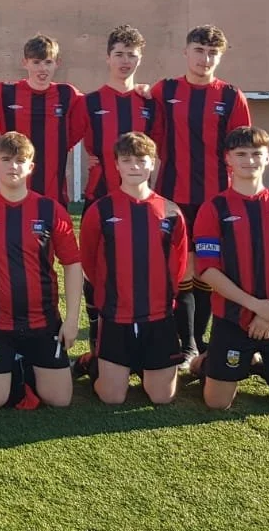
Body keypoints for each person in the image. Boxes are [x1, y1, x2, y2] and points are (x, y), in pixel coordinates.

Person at [188, 126, 269, 410]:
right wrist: (256, 306)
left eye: (257, 154)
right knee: (217, 403)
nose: (250, 160)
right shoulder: (214, 209)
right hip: (233, 318)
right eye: (241, 154)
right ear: (228, 160)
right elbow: (207, 269)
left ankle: (257, 362)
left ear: (267, 158)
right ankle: (208, 362)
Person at [151, 24, 252, 365]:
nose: (205, 58)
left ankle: (197, 340)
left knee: (207, 270)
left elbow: (242, 148)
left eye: (212, 53)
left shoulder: (231, 97)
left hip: (215, 200)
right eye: (199, 50)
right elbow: (146, 129)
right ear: (185, 52)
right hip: (171, 197)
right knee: (180, 270)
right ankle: (187, 342)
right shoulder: (164, 90)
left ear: (219, 57)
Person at [0, 132, 82, 412]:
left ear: (31, 167)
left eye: (20, 161)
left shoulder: (50, 210)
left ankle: (27, 366)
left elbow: (72, 263)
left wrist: (73, 319)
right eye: (6, 160)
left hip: (43, 321)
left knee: (59, 400)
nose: (13, 166)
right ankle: (15, 368)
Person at [78, 132, 188, 406]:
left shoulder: (171, 211)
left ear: (153, 163)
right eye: (127, 160)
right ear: (116, 165)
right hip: (116, 315)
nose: (135, 166)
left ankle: (141, 366)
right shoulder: (101, 210)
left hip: (158, 316)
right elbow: (89, 261)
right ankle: (92, 362)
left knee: (162, 397)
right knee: (112, 398)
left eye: (141, 160)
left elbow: (179, 264)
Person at [73, 24, 159, 356]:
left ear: (140, 58)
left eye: (132, 55)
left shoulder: (149, 101)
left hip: (142, 202)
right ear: (108, 57)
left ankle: (151, 337)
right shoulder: (90, 102)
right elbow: (66, 137)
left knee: (143, 265)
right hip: (101, 197)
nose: (125, 61)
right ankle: (97, 345)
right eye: (119, 54)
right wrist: (91, 157)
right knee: (95, 267)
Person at [0, 34, 85, 208]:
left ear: (57, 63)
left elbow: (88, 116)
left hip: (53, 193)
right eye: (36, 62)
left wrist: (65, 142)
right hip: (13, 191)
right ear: (25, 63)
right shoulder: (7, 92)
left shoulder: (67, 94)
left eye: (48, 62)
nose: (42, 69)